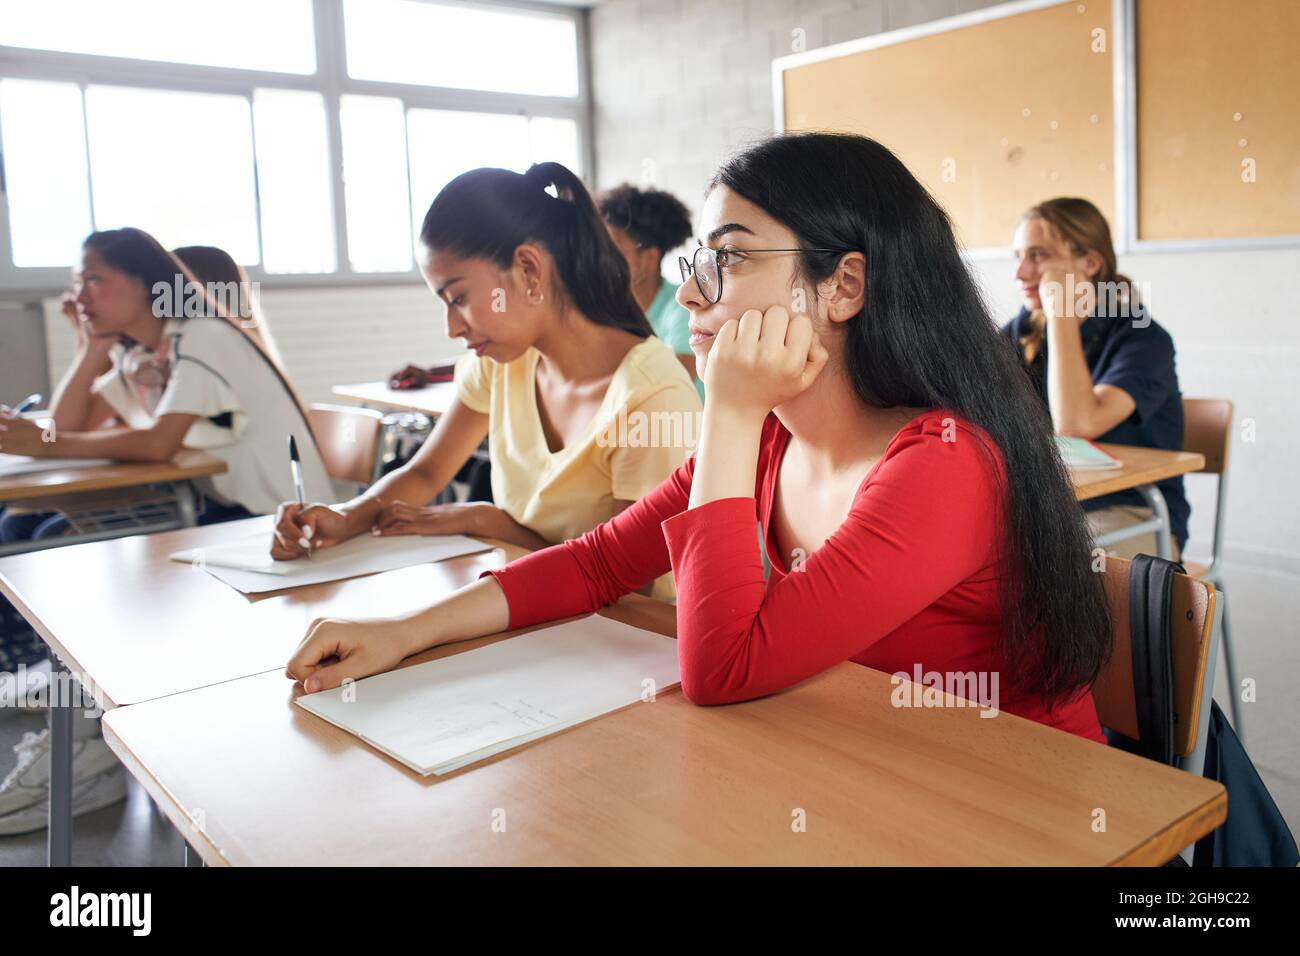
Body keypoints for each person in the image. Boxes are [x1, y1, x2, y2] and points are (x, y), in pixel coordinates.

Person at [286, 134, 1113, 745]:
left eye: (730, 259)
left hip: (1021, 813)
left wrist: (726, 410)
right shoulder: (772, 445)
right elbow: (596, 563)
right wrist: (404, 633)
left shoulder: (943, 465)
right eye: (697, 260)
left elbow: (724, 667)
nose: (688, 291)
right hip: (862, 764)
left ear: (844, 285)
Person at [0, 227, 329, 834]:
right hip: (210, 509)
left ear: (148, 284)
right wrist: (93, 342)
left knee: (56, 549)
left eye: (95, 279)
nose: (81, 292)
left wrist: (40, 438)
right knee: (29, 527)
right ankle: (81, 712)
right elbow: (77, 422)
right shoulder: (144, 350)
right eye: (79, 281)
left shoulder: (201, 334)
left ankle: (89, 729)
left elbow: (155, 441)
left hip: (273, 523)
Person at [270, 162, 701, 603]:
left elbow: (626, 585)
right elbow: (426, 471)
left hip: (624, 642)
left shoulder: (652, 397)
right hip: (530, 609)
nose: (451, 327)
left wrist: (488, 522)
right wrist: (348, 516)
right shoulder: (502, 362)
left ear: (529, 270)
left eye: (458, 298)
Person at [1007, 198, 1188, 559]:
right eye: (1018, 256)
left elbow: (1076, 424)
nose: (1021, 273)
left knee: (1057, 570)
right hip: (1047, 510)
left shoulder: (1143, 338)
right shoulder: (1020, 332)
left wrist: (1061, 315)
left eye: (1038, 256)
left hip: (1132, 514)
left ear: (1090, 263)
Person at [599, 184, 703, 399]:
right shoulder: (610, 313)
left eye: (613, 248)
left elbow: (673, 378)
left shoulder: (683, 308)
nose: (602, 258)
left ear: (649, 258)